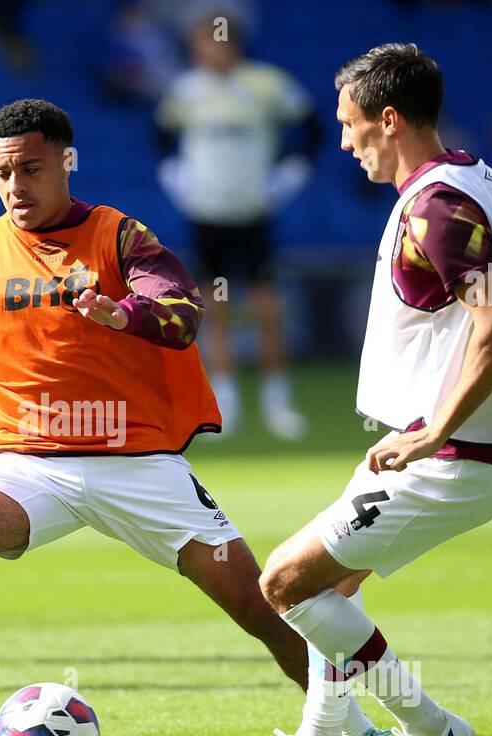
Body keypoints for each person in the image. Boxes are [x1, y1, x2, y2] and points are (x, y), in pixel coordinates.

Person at [0, 98, 397, 736]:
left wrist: (122, 313)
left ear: (66, 163)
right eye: (3, 173)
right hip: (28, 466)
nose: (15, 187)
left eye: (31, 169)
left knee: (259, 602)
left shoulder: (119, 238)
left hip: (138, 463)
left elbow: (184, 309)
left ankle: (358, 732)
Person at [217, 44, 492, 736]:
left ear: (390, 120)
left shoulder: (435, 208)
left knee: (285, 584)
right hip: (455, 448)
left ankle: (432, 728)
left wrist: (435, 425)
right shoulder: (481, 177)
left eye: (351, 124)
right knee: (333, 591)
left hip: (451, 457)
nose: (343, 141)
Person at [156, 12, 318, 440]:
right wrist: (174, 173)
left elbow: (311, 127)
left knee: (268, 310)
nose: (206, 49)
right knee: (217, 310)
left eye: (212, 40)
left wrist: (291, 172)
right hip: (208, 217)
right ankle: (223, 402)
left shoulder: (266, 84)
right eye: (199, 42)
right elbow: (160, 135)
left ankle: (277, 402)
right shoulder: (185, 91)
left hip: (253, 216)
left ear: (232, 43)